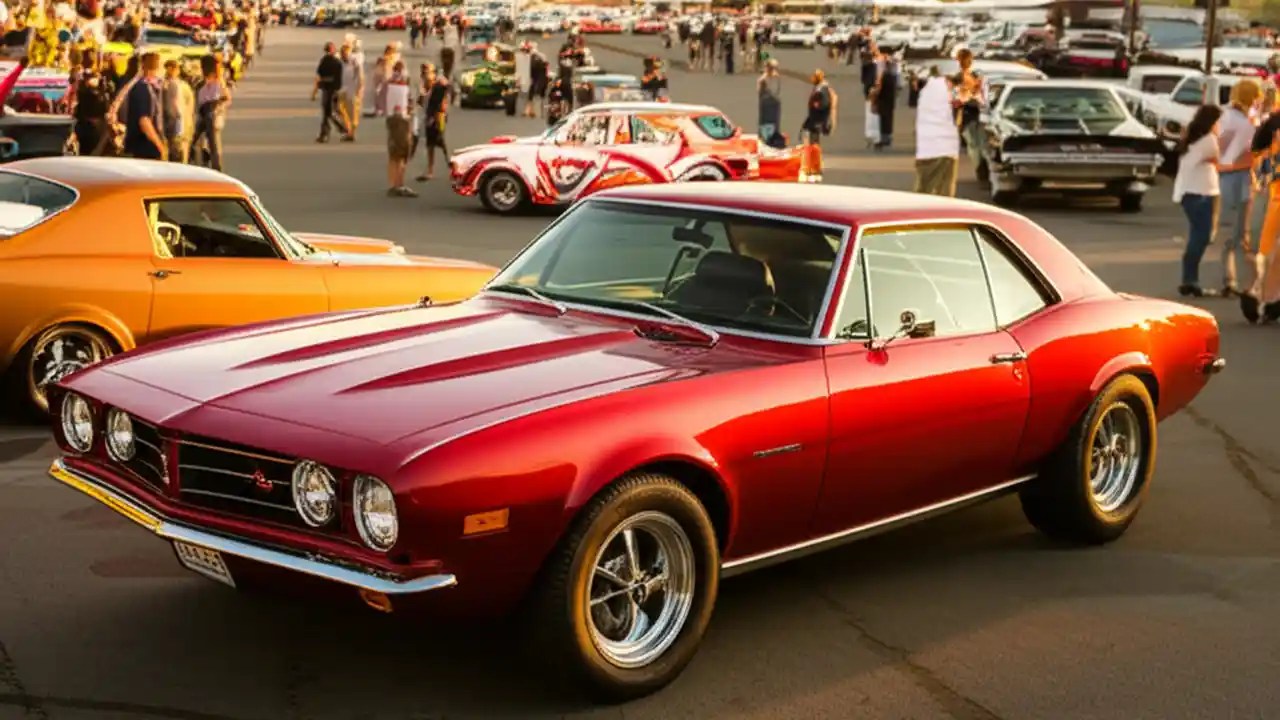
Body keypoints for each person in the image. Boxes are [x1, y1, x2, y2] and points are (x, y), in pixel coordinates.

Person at [1172, 105, 1223, 298]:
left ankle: (1190, 279)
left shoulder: (1193, 139)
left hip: (1193, 193)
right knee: (1202, 237)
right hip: (1200, 194)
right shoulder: (1209, 141)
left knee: (1199, 235)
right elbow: (1221, 159)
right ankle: (1190, 280)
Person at [1217, 79, 1261, 297]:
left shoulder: (1225, 117)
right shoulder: (1246, 123)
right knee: (1242, 235)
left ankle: (1229, 278)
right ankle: (1250, 284)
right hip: (1242, 177)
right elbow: (1252, 153)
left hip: (1223, 178)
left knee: (1230, 232)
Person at [1245, 83, 1280, 322]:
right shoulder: (1274, 121)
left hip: (1276, 191)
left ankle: (1262, 293)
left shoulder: (1274, 121)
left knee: (1269, 247)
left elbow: (1256, 149)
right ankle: (1266, 296)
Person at [913, 68, 960, 197]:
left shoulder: (926, 93)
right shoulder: (946, 91)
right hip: (944, 151)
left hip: (925, 152)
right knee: (944, 196)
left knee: (923, 193)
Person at [122, 52, 165, 160]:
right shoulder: (142, 88)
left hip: (145, 147)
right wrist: (160, 145)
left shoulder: (149, 88)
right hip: (144, 148)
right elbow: (144, 121)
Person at [191, 55, 230, 170]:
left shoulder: (218, 80)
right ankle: (204, 159)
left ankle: (215, 166)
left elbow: (227, 98)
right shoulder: (202, 81)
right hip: (204, 112)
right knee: (197, 139)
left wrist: (217, 106)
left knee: (213, 143)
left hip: (212, 113)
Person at [384, 60, 415, 197]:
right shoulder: (403, 86)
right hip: (401, 120)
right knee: (402, 154)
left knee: (393, 154)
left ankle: (393, 184)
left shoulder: (389, 84)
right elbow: (410, 105)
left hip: (391, 119)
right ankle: (399, 184)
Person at [953, 48, 987, 176]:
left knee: (973, 143)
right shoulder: (976, 76)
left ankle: (980, 168)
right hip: (981, 111)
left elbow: (956, 98)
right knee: (981, 142)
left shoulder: (959, 77)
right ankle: (983, 166)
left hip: (967, 113)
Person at [72, 48, 110, 155]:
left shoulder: (84, 79)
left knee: (87, 151)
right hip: (90, 122)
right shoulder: (88, 79)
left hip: (88, 121)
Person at [417, 61, 450, 181]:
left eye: (427, 72)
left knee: (441, 142)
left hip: (438, 117)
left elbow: (443, 98)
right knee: (430, 144)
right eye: (423, 73)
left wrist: (434, 117)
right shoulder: (425, 86)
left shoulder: (439, 85)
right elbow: (421, 103)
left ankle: (451, 167)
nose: (425, 75)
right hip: (428, 118)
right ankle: (430, 170)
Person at [312, 41, 347, 142]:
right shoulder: (337, 62)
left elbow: (318, 76)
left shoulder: (324, 61)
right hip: (333, 89)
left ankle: (341, 129)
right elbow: (339, 78)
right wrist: (338, 89)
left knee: (328, 112)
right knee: (328, 113)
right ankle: (325, 133)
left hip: (327, 89)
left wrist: (315, 91)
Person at [160, 59, 193, 163]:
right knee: (177, 155)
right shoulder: (164, 85)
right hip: (172, 125)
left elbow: (189, 106)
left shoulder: (181, 86)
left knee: (178, 155)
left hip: (179, 125)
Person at [872, 49, 900, 149]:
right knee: (885, 114)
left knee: (886, 114)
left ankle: (885, 137)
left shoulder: (891, 61)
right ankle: (885, 137)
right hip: (887, 88)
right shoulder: (883, 61)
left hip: (887, 87)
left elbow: (882, 76)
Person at [801, 69, 835, 146]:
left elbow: (824, 103)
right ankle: (812, 151)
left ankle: (812, 153)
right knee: (808, 132)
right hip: (815, 117)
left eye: (814, 77)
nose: (812, 78)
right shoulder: (821, 88)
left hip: (817, 118)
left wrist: (817, 105)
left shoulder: (821, 89)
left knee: (811, 136)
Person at [338, 40, 363, 140]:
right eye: (342, 53)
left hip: (352, 91)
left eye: (345, 53)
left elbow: (360, 76)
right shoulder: (340, 62)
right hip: (342, 89)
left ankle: (351, 133)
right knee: (340, 109)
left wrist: (359, 88)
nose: (343, 55)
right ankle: (348, 129)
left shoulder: (354, 62)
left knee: (353, 113)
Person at [757, 58, 783, 148]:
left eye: (774, 68)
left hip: (774, 106)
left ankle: (773, 141)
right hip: (766, 106)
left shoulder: (777, 78)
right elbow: (760, 93)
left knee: (774, 125)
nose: (772, 70)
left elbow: (778, 91)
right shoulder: (762, 79)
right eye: (771, 67)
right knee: (765, 125)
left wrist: (774, 98)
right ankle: (765, 142)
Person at [525, 42, 547, 117]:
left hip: (536, 78)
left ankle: (532, 111)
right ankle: (533, 111)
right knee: (535, 94)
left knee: (534, 94)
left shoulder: (531, 58)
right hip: (539, 78)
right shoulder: (541, 56)